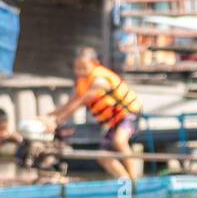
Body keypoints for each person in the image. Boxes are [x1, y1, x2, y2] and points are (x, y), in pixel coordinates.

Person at [49, 47, 143, 180]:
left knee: (119, 141)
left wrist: (57, 121)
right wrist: (48, 116)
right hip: (113, 122)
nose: (79, 71)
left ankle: (135, 181)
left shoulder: (99, 81)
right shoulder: (82, 82)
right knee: (103, 157)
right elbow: (69, 104)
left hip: (128, 114)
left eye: (83, 67)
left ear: (94, 64)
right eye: (77, 68)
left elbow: (80, 103)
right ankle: (125, 182)